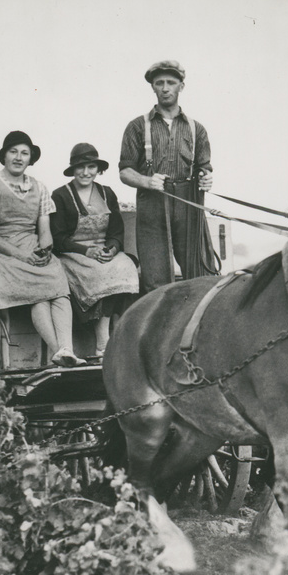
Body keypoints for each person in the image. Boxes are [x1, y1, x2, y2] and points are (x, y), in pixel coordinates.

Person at [0, 131, 84, 367]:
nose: (18, 158)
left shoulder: (39, 188)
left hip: (31, 246)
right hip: (1, 249)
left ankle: (66, 349)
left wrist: (45, 249)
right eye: (13, 152)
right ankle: (58, 351)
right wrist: (20, 254)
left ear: (30, 159)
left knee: (57, 285)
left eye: (24, 153)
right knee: (38, 292)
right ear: (4, 156)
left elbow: (44, 229)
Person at [119, 59, 219, 294]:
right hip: (153, 202)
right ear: (152, 87)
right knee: (156, 278)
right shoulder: (137, 126)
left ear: (181, 87)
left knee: (200, 273)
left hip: (188, 202)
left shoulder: (197, 128)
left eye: (171, 83)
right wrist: (146, 181)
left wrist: (206, 177)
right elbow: (125, 171)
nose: (165, 88)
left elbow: (205, 167)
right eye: (159, 83)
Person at [51, 143, 139, 357]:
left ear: (98, 169)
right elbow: (58, 238)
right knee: (101, 273)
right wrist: (85, 251)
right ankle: (103, 343)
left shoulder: (107, 193)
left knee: (127, 266)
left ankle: (120, 335)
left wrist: (112, 248)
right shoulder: (60, 195)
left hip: (103, 251)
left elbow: (117, 231)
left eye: (91, 167)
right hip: (73, 254)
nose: (86, 172)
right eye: (80, 167)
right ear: (73, 169)